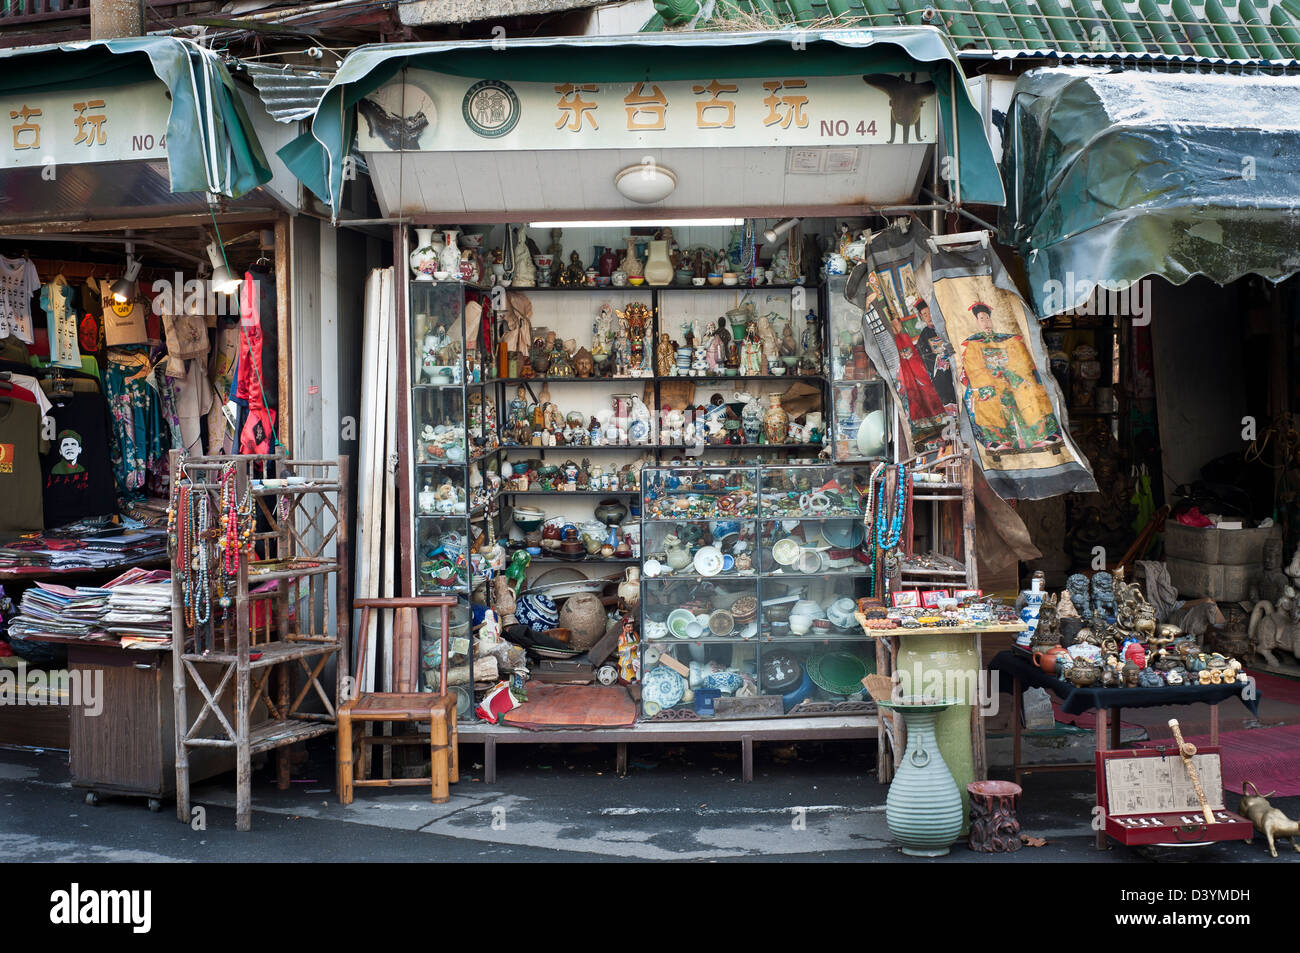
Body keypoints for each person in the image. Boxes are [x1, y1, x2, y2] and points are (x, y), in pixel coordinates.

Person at [959, 301, 1062, 452]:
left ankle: (1045, 435)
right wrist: (995, 376)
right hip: (990, 382)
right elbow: (973, 368)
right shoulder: (973, 344)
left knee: (1030, 391)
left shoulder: (1008, 339)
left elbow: (1021, 361)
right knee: (988, 397)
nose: (986, 322)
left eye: (987, 318)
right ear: (976, 322)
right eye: (982, 319)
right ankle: (995, 441)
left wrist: (1011, 374)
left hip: (1012, 378)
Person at [913, 299, 956, 408]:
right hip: (941, 376)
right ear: (922, 317)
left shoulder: (948, 326)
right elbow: (924, 359)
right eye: (925, 314)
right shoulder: (923, 337)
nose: (929, 316)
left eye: (930, 312)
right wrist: (939, 361)